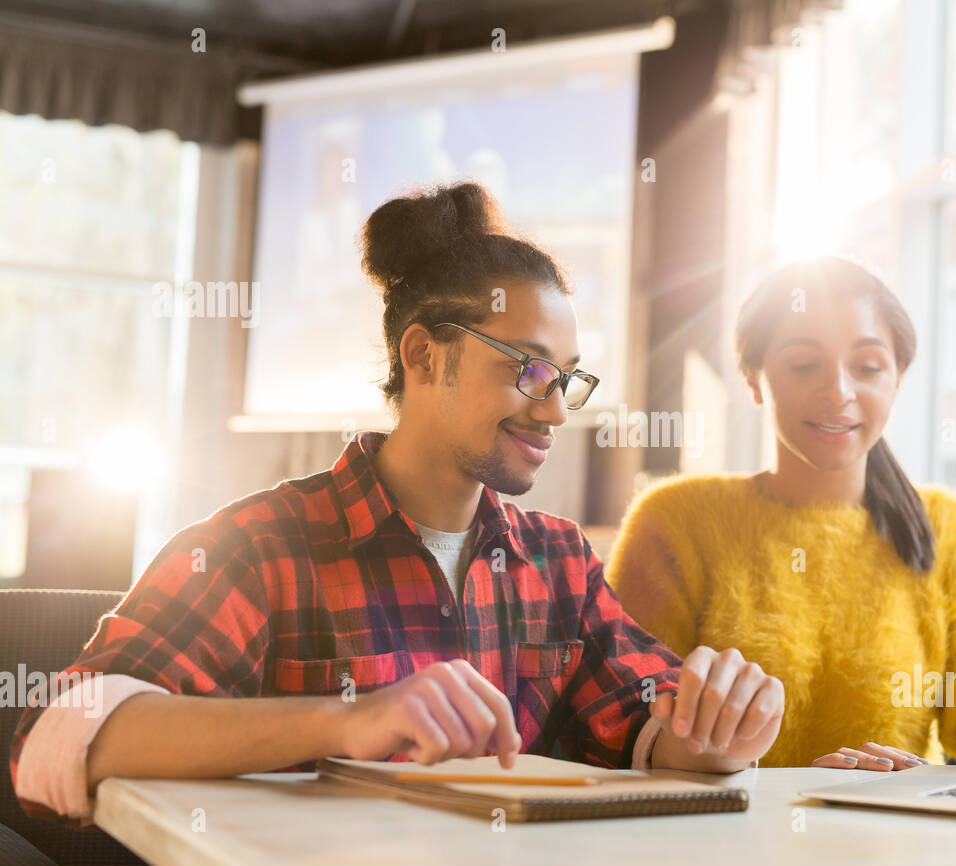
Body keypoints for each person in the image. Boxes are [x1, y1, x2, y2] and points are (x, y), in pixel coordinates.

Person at [10, 181, 783, 827]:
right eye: (531, 371)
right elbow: (56, 734)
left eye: (569, 378)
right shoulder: (261, 545)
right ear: (422, 354)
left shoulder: (561, 562)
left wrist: (716, 732)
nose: (555, 411)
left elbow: (648, 728)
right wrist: (350, 721)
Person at [606, 256, 956, 771]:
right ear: (754, 379)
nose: (839, 392)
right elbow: (621, 730)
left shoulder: (954, 531)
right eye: (804, 365)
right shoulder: (675, 521)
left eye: (868, 368)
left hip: (896, 844)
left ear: (897, 379)